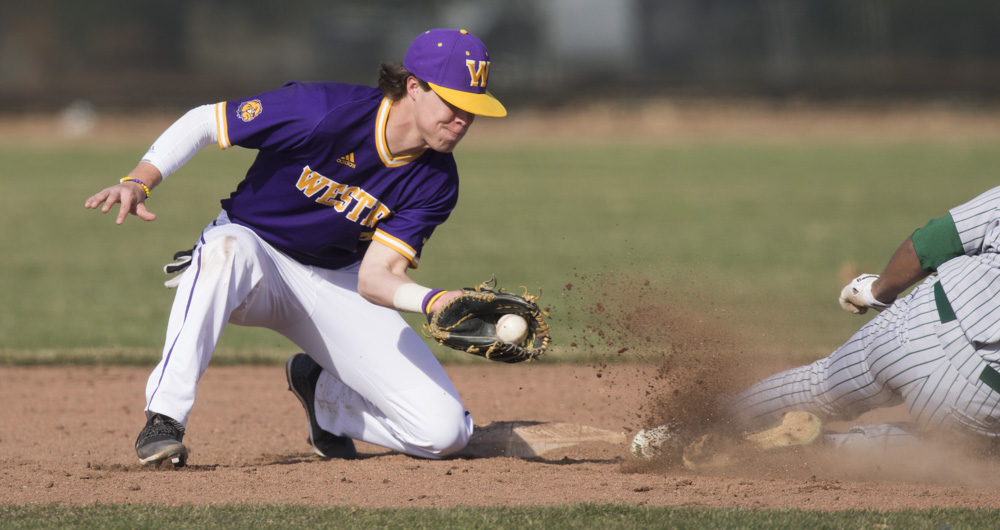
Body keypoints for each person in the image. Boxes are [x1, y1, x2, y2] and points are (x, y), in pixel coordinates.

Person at [84, 29, 507, 467]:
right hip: (256, 259)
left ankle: (324, 398)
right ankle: (164, 419)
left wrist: (434, 301)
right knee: (223, 251)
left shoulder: (438, 181)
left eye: (473, 108)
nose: (464, 119)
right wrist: (140, 180)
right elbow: (206, 121)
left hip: (337, 282)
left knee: (446, 434)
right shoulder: (321, 110)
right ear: (414, 87)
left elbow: (377, 276)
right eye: (455, 103)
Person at [635, 185, 1000, 465]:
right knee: (963, 451)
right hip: (978, 399)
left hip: (919, 325)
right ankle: (805, 450)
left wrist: (876, 291)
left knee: (821, 382)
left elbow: (929, 243)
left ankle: (691, 430)